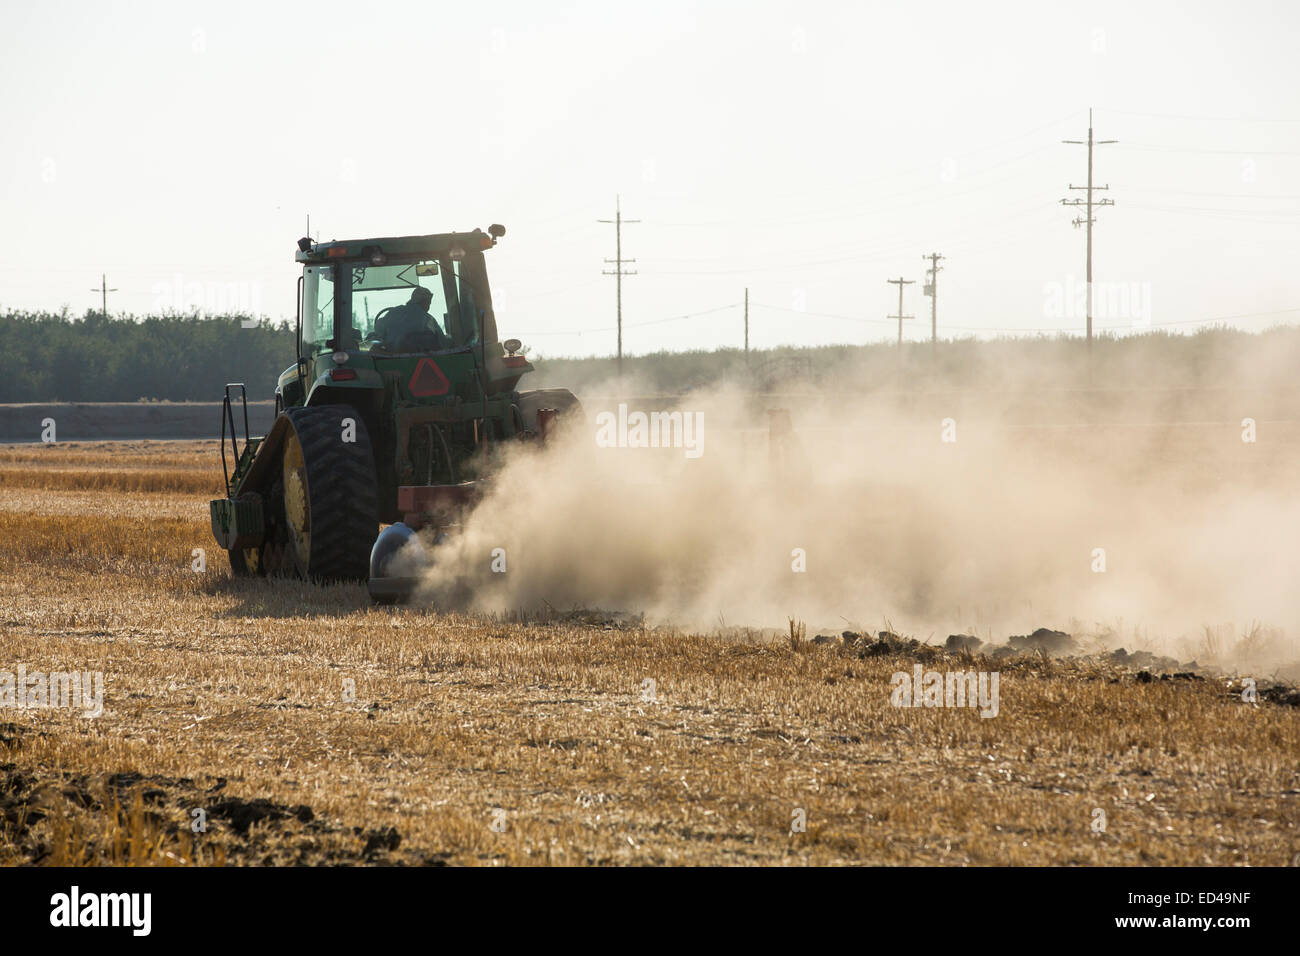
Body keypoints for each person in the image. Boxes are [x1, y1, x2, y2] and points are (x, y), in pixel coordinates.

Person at [375, 286, 452, 349]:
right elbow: (441, 341)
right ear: (424, 302)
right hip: (422, 358)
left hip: (391, 356)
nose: (429, 306)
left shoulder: (394, 312)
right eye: (429, 303)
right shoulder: (428, 319)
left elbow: (379, 328)